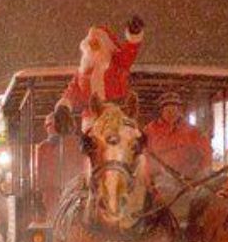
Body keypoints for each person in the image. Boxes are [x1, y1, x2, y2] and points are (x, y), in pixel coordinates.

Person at [52, 16, 144, 134]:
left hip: (117, 115)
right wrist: (63, 107)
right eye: (91, 44)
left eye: (97, 43)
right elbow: (72, 93)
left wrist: (134, 34)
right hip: (92, 119)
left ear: (107, 46)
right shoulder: (82, 73)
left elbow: (130, 51)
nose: (93, 47)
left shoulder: (118, 63)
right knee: (92, 144)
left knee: (126, 142)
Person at [144, 91, 212, 221]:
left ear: (180, 110)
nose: (171, 112)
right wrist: (149, 181)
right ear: (161, 110)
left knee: (206, 199)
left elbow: (206, 152)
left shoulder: (192, 131)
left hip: (188, 179)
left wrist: (203, 173)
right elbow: (143, 156)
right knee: (169, 198)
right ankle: (177, 228)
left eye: (174, 108)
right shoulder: (149, 131)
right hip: (161, 179)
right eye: (167, 108)